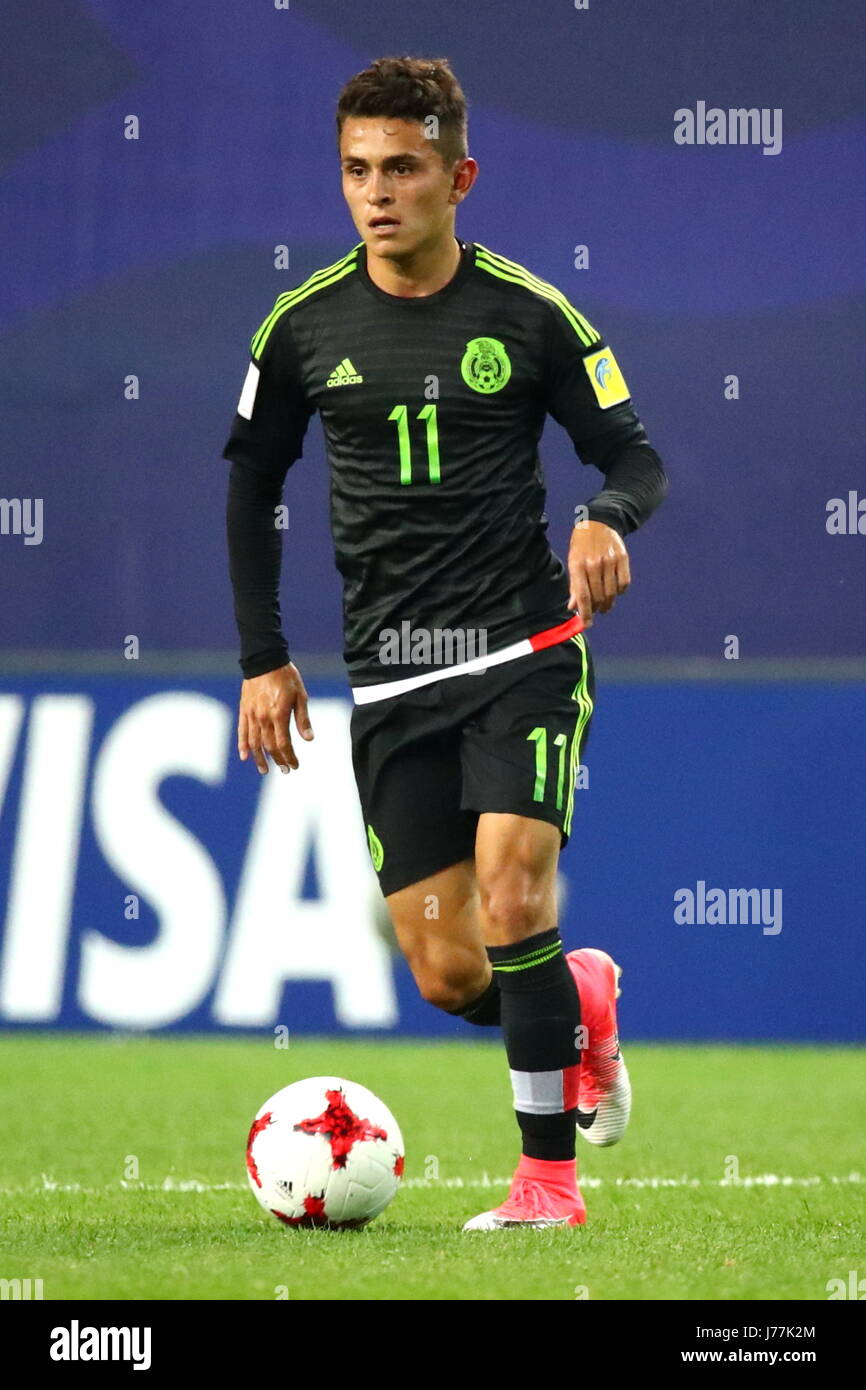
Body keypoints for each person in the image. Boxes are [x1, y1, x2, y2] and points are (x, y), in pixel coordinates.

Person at [222, 56, 668, 1229]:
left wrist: (604, 518)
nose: (378, 193)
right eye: (357, 171)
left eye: (403, 169)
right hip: (391, 680)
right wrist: (262, 655)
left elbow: (634, 457)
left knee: (517, 895)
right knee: (451, 970)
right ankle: (581, 1001)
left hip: (521, 651)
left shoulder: (528, 315)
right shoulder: (301, 325)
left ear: (457, 175)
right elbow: (250, 487)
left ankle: (543, 1190)